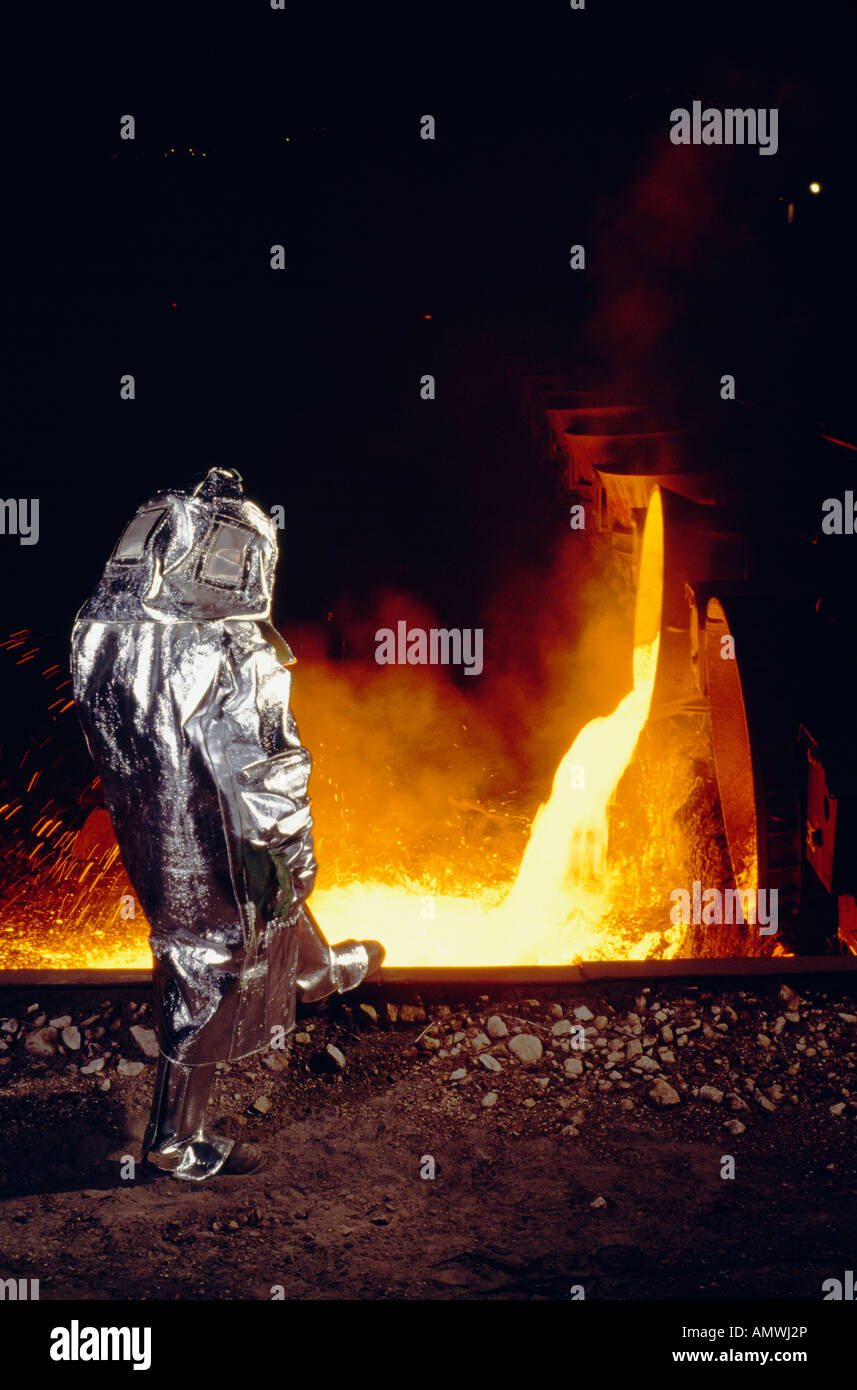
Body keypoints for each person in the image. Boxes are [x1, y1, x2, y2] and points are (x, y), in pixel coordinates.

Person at [70, 467, 384, 1181]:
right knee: (215, 950)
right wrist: (288, 852)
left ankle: (316, 970)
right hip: (222, 825)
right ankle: (177, 1141)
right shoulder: (232, 649)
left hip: (151, 826)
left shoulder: (101, 633)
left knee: (220, 922)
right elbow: (264, 771)